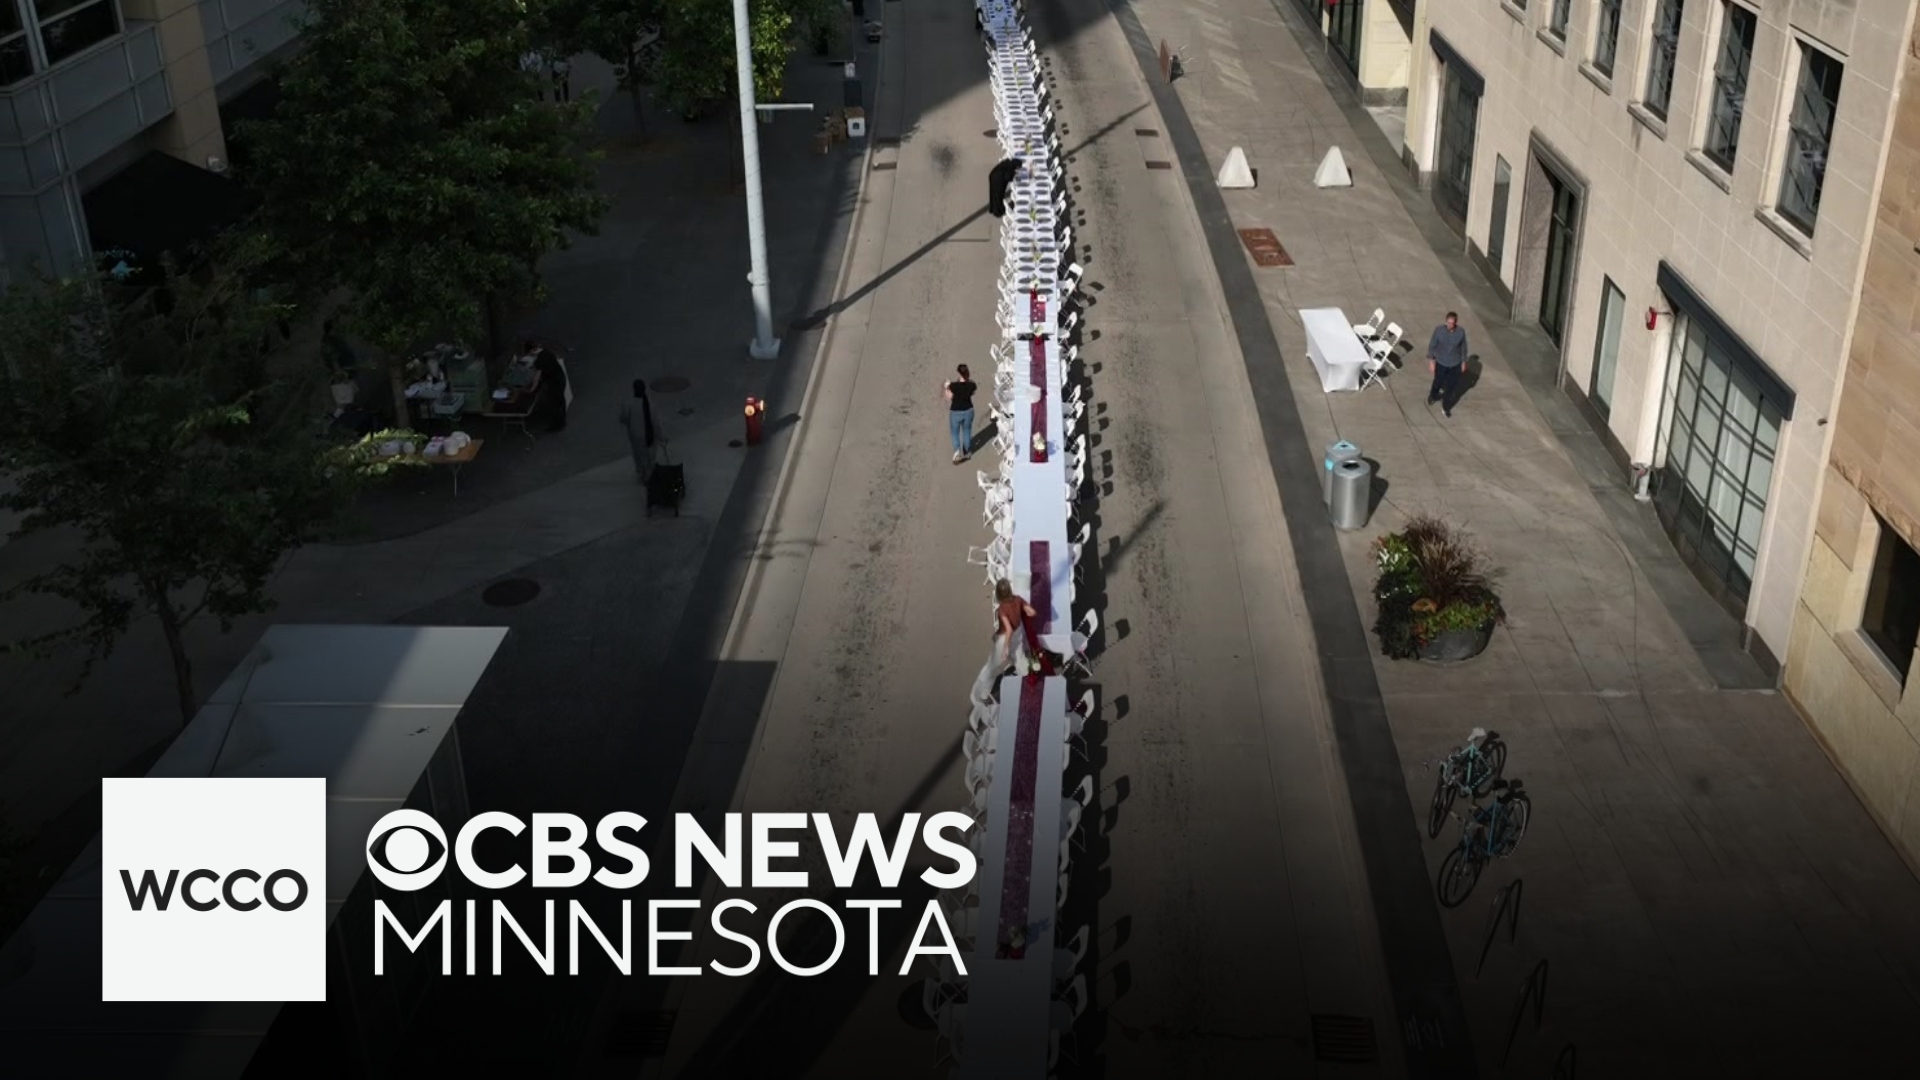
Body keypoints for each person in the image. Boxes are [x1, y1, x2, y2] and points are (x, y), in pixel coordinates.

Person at [1426, 311, 1469, 418]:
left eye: (1452, 323)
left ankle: (1445, 407)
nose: (1450, 325)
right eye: (1448, 323)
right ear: (1445, 321)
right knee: (1438, 382)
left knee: (1451, 387)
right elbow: (1432, 346)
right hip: (1441, 363)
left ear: (1456, 322)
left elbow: (1463, 347)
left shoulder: (1460, 332)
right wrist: (1431, 362)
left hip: (1455, 364)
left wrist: (1463, 362)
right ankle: (1433, 395)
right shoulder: (1439, 331)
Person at [993, 578, 1038, 675]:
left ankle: (1024, 673)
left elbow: (1009, 630)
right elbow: (1032, 612)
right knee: (1018, 652)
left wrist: (1006, 648)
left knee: (1013, 656)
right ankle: (1022, 667)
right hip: (1018, 630)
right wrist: (1025, 613)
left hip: (1008, 635)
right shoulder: (1018, 599)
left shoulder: (1002, 609)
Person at [618, 379, 657, 482]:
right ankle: (650, 473)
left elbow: (624, 418)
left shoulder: (628, 404)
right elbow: (655, 420)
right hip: (649, 434)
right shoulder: (648, 402)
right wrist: (661, 435)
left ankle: (645, 475)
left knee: (640, 456)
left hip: (636, 436)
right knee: (650, 455)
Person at [529, 341, 569, 432]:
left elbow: (536, 377)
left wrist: (531, 389)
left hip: (554, 383)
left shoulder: (540, 360)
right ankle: (562, 421)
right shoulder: (546, 352)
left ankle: (556, 426)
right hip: (560, 378)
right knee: (560, 401)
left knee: (554, 404)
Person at [944, 363, 978, 464]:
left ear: (959, 373)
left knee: (955, 433)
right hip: (968, 411)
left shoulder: (953, 386)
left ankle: (957, 452)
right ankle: (967, 452)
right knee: (966, 431)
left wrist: (947, 387)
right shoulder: (972, 385)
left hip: (955, 412)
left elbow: (949, 398)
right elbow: (972, 391)